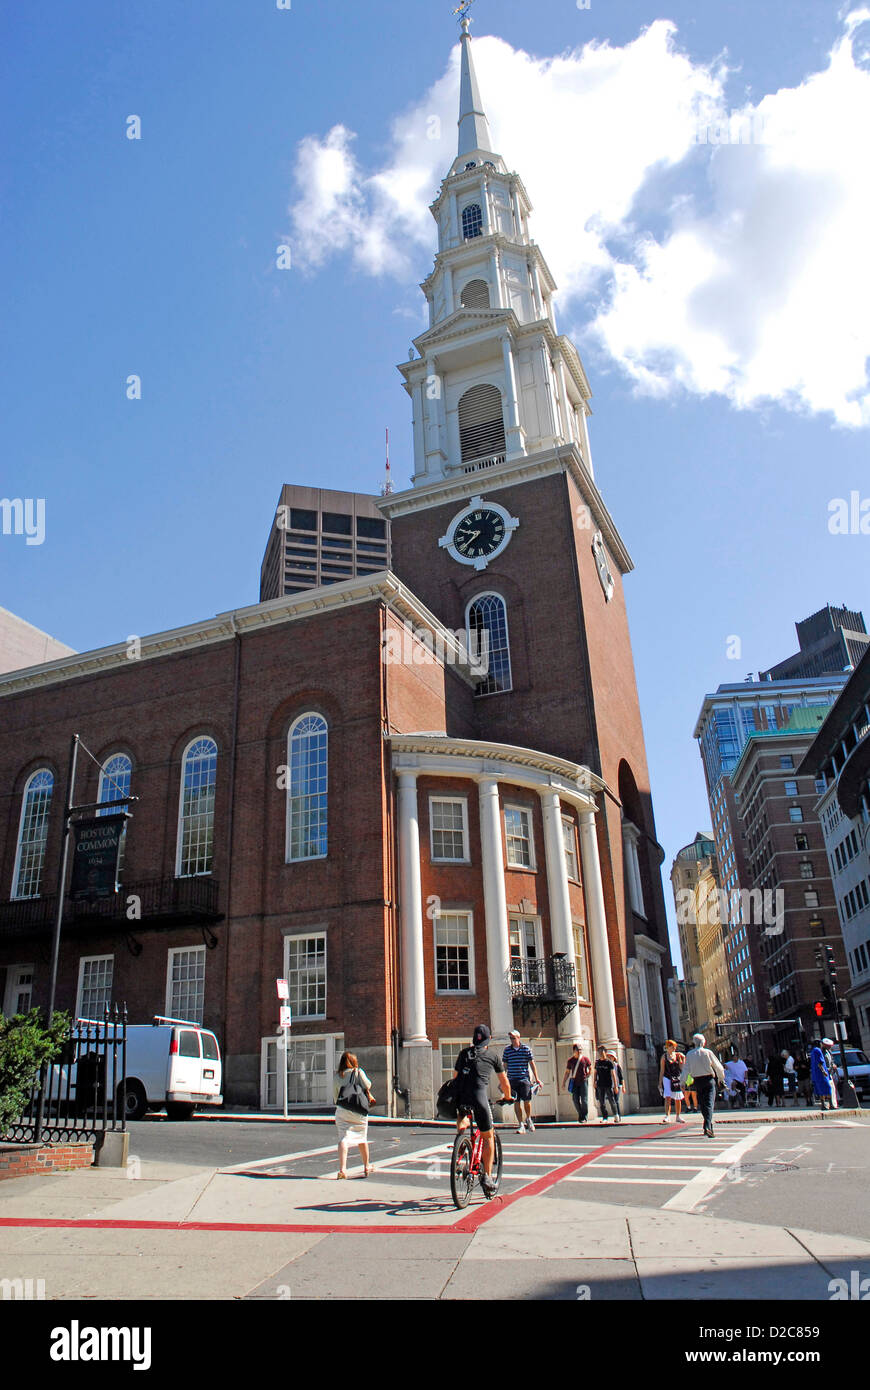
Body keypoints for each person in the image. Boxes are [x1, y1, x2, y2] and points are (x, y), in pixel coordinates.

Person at [454, 1024, 513, 1196]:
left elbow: (455, 1077)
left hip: (461, 1096)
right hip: (479, 1098)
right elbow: (504, 1082)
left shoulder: (463, 1053)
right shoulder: (492, 1056)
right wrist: (508, 1097)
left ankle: (460, 1145)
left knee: (463, 1117)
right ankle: (487, 1176)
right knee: (488, 1137)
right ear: (489, 1039)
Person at [334, 1051, 375, 1179]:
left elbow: (335, 1097)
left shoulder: (337, 1076)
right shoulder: (358, 1072)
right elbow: (368, 1085)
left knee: (343, 1138)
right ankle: (366, 1166)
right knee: (362, 1138)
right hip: (359, 1110)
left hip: (343, 1110)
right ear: (354, 1061)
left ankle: (342, 1170)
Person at [680, 1033, 725, 1137]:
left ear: (694, 1043)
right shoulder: (707, 1052)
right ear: (703, 1042)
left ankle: (706, 1126)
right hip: (708, 1080)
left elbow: (686, 1070)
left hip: (697, 1081)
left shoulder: (689, 1054)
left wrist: (682, 1082)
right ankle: (708, 1126)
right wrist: (721, 1079)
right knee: (709, 1103)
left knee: (703, 1104)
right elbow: (718, 1067)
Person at [503, 1029, 541, 1133]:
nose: (512, 1040)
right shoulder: (507, 1050)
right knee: (516, 1102)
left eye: (513, 1038)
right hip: (512, 1079)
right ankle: (520, 1124)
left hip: (524, 1079)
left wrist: (537, 1078)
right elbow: (505, 1066)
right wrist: (503, 1080)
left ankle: (528, 1118)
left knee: (527, 1101)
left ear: (518, 1038)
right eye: (511, 1038)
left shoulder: (526, 1049)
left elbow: (532, 1064)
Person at [658, 1040, 686, 1123]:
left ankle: (678, 1116)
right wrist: (660, 1083)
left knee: (678, 1097)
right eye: (672, 1047)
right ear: (668, 1047)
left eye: (675, 1047)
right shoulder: (664, 1057)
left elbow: (682, 1067)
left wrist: (683, 1058)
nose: (674, 1049)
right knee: (668, 1097)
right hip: (667, 1078)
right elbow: (662, 1070)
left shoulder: (677, 1055)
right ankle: (667, 1116)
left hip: (676, 1077)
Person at [563, 1043, 591, 1123]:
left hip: (583, 1081)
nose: (580, 1051)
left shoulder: (585, 1059)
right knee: (575, 1099)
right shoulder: (570, 1061)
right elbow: (567, 1072)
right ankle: (581, 1114)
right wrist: (564, 1082)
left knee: (584, 1100)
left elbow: (590, 1068)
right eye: (578, 1050)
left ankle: (584, 1117)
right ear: (574, 1051)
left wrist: (588, 1075)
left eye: (580, 1050)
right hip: (575, 1082)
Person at [594, 1045, 621, 1123]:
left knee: (611, 1100)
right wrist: (594, 1082)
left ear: (605, 1052)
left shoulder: (609, 1063)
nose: (600, 1053)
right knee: (602, 1102)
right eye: (599, 1052)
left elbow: (613, 1075)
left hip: (608, 1084)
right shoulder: (597, 1063)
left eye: (602, 1051)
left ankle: (616, 1115)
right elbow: (595, 1073)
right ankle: (605, 1117)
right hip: (600, 1084)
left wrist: (615, 1086)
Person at [810, 1039, 835, 1111]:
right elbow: (820, 1062)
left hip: (816, 1074)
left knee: (820, 1089)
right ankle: (830, 1104)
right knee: (828, 1088)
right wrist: (824, 1071)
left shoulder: (813, 1051)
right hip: (821, 1074)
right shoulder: (818, 1050)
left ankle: (823, 1105)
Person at [607, 1051, 627, 1118]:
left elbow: (621, 1077)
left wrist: (623, 1087)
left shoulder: (617, 1066)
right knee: (612, 1101)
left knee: (616, 1100)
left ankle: (618, 1115)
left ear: (614, 1058)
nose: (609, 1058)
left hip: (617, 1085)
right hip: (609, 1085)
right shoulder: (607, 1066)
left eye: (611, 1056)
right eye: (608, 1056)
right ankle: (615, 1114)